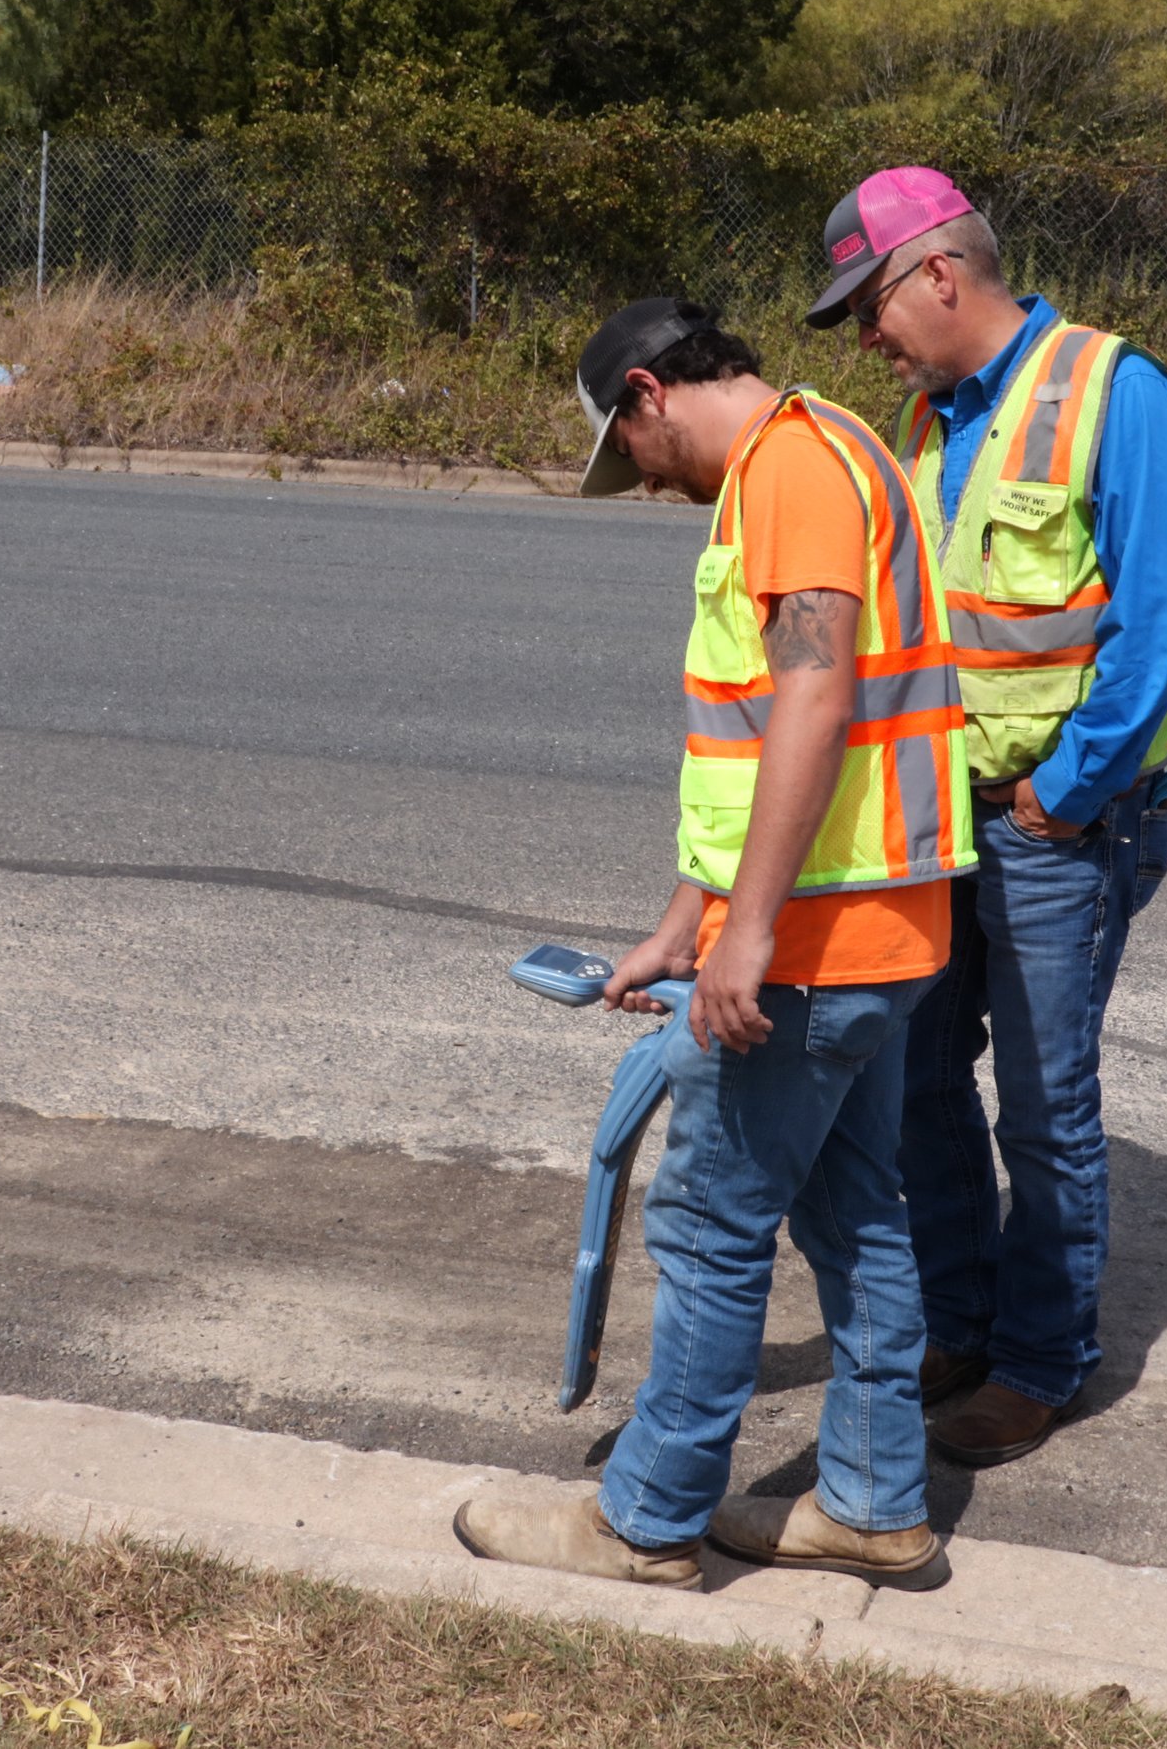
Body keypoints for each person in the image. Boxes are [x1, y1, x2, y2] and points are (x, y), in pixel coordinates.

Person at [453, 298, 977, 1591]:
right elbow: (750, 752)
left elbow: (812, 693)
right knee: (858, 1216)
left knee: (708, 1226)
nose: (640, 479)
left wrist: (743, 940)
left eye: (626, 451)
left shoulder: (789, 470)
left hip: (808, 947)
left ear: (647, 394)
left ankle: (648, 1522)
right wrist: (685, 922)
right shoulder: (834, 446)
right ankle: (869, 1501)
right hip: (880, 927)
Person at [805, 168, 1167, 1468]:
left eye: (867, 305)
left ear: (938, 271)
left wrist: (1064, 792)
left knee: (1041, 1102)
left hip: (1059, 821)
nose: (866, 336)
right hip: (948, 816)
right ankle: (961, 1322)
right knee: (918, 1075)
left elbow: (1162, 620)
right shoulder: (927, 421)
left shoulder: (1114, 391)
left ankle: (1041, 1362)